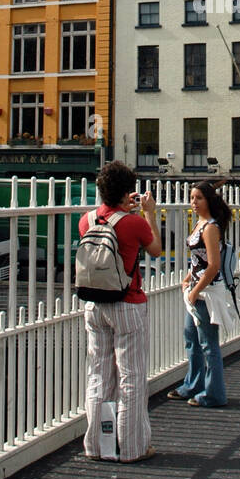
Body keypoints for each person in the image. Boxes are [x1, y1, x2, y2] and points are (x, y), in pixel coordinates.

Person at [78, 161, 162, 462]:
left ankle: (98, 445)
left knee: (99, 377)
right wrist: (150, 213)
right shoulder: (133, 222)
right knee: (131, 378)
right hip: (127, 304)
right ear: (128, 191)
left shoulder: (86, 220)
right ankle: (131, 448)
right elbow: (155, 250)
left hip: (94, 305)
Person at [168, 182, 233, 407]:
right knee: (192, 339)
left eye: (198, 198)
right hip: (196, 290)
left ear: (209, 201)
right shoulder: (200, 224)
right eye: (192, 198)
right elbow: (199, 260)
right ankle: (193, 385)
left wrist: (195, 289)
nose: (193, 202)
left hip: (206, 292)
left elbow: (213, 265)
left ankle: (214, 393)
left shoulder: (211, 228)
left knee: (208, 343)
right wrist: (188, 278)